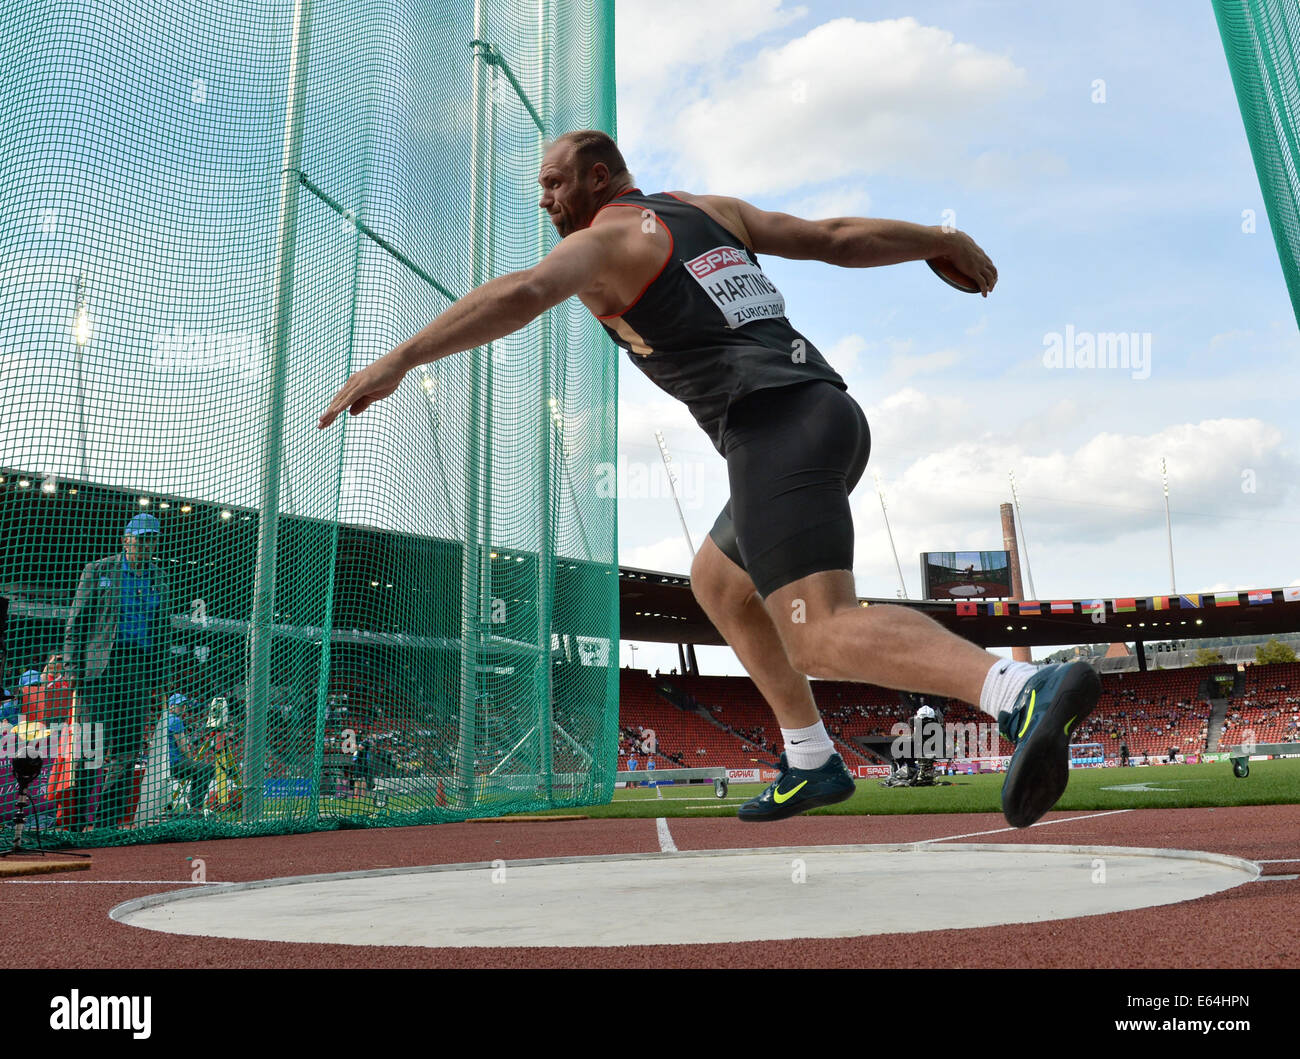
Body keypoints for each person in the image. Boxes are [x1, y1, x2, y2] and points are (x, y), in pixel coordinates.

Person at [318, 129, 1100, 829]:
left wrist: (399, 358)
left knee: (819, 628)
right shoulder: (711, 211)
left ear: (599, 178)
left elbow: (521, 293)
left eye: (554, 182)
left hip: (774, 428)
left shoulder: (602, 243)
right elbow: (832, 236)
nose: (545, 199)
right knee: (718, 582)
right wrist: (937, 238)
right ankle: (810, 758)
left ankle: (1013, 689)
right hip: (827, 414)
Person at [62, 513, 172, 829]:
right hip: (99, 669)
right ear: (126, 539)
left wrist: (159, 679)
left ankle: (108, 824)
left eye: (151, 538)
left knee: (128, 749)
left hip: (138, 668)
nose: (146, 544)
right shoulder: (98, 570)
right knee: (90, 748)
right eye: (140, 538)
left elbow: (163, 633)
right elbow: (76, 623)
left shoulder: (160, 579)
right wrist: (72, 669)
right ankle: (75, 823)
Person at [165, 693, 215, 813]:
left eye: (184, 705)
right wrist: (191, 760)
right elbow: (183, 747)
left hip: (164, 764)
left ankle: (192, 801)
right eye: (180, 705)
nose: (183, 708)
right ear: (171, 706)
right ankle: (195, 807)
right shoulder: (175, 720)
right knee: (207, 769)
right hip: (174, 763)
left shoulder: (164, 719)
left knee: (199, 769)